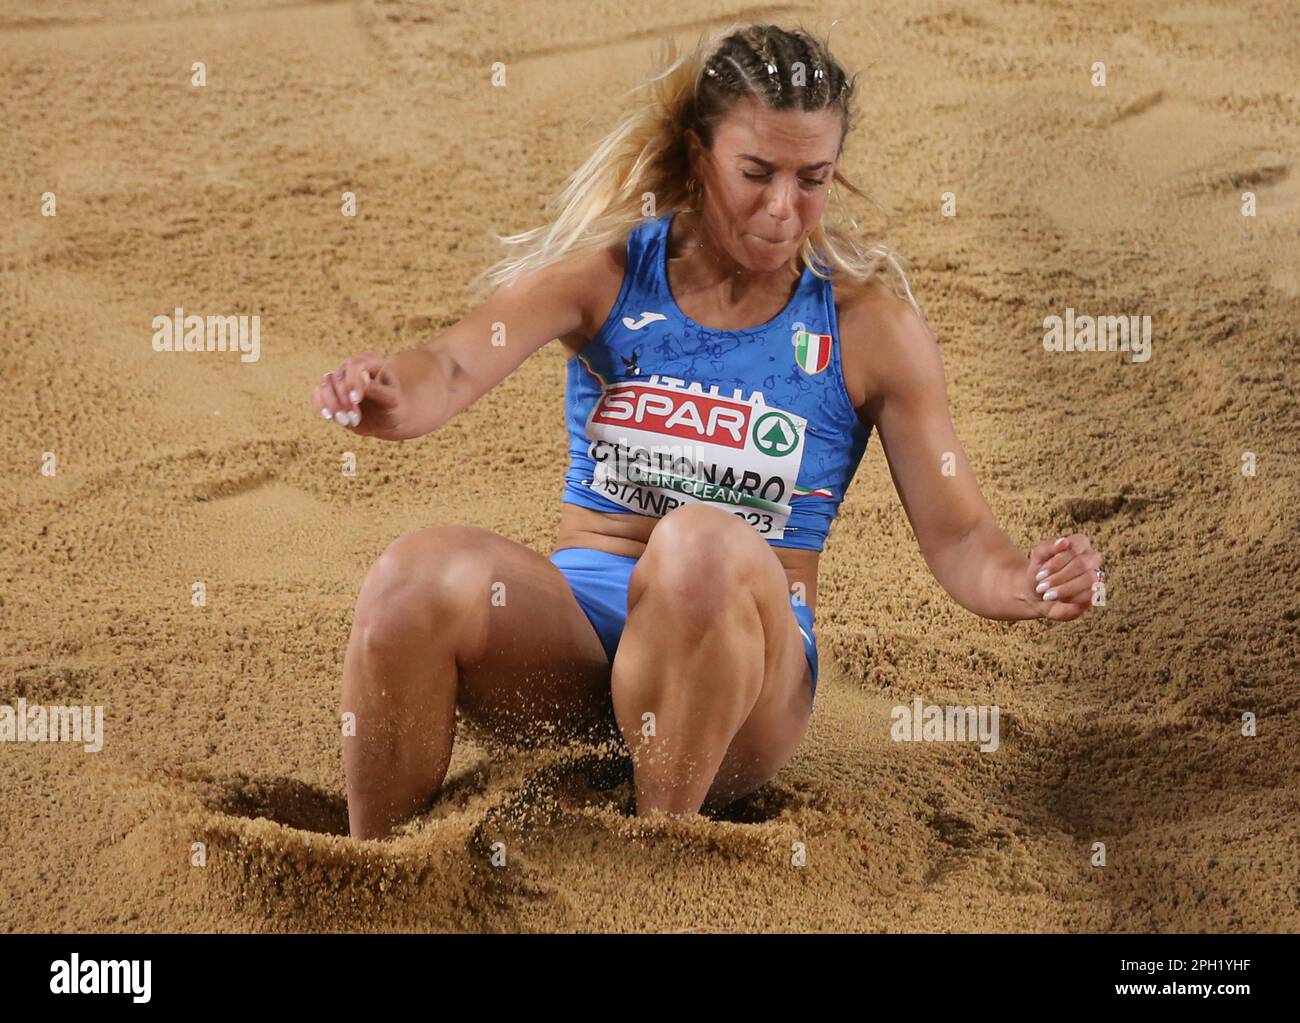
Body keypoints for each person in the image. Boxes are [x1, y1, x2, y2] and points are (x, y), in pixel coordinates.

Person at [312, 23, 1103, 841]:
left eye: (813, 179)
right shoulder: (612, 270)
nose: (781, 209)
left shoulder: (868, 328)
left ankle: (658, 855)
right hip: (582, 644)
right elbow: (448, 364)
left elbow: (962, 533)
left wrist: (1027, 583)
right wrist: (388, 397)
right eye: (755, 173)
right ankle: (377, 874)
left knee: (699, 545)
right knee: (412, 576)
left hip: (745, 678)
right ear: (699, 156)